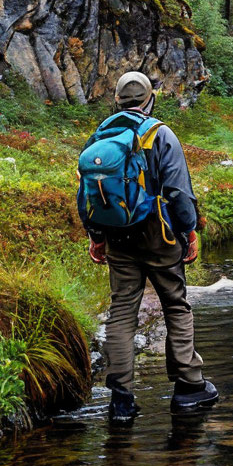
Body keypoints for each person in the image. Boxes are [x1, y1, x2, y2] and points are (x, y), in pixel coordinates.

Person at [78, 71, 218, 423]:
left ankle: (121, 399)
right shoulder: (161, 134)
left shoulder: (99, 137)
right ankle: (189, 387)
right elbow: (179, 193)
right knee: (176, 304)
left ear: (117, 100)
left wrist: (96, 236)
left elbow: (88, 194)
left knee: (122, 310)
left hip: (117, 238)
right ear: (150, 99)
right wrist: (189, 232)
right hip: (160, 235)